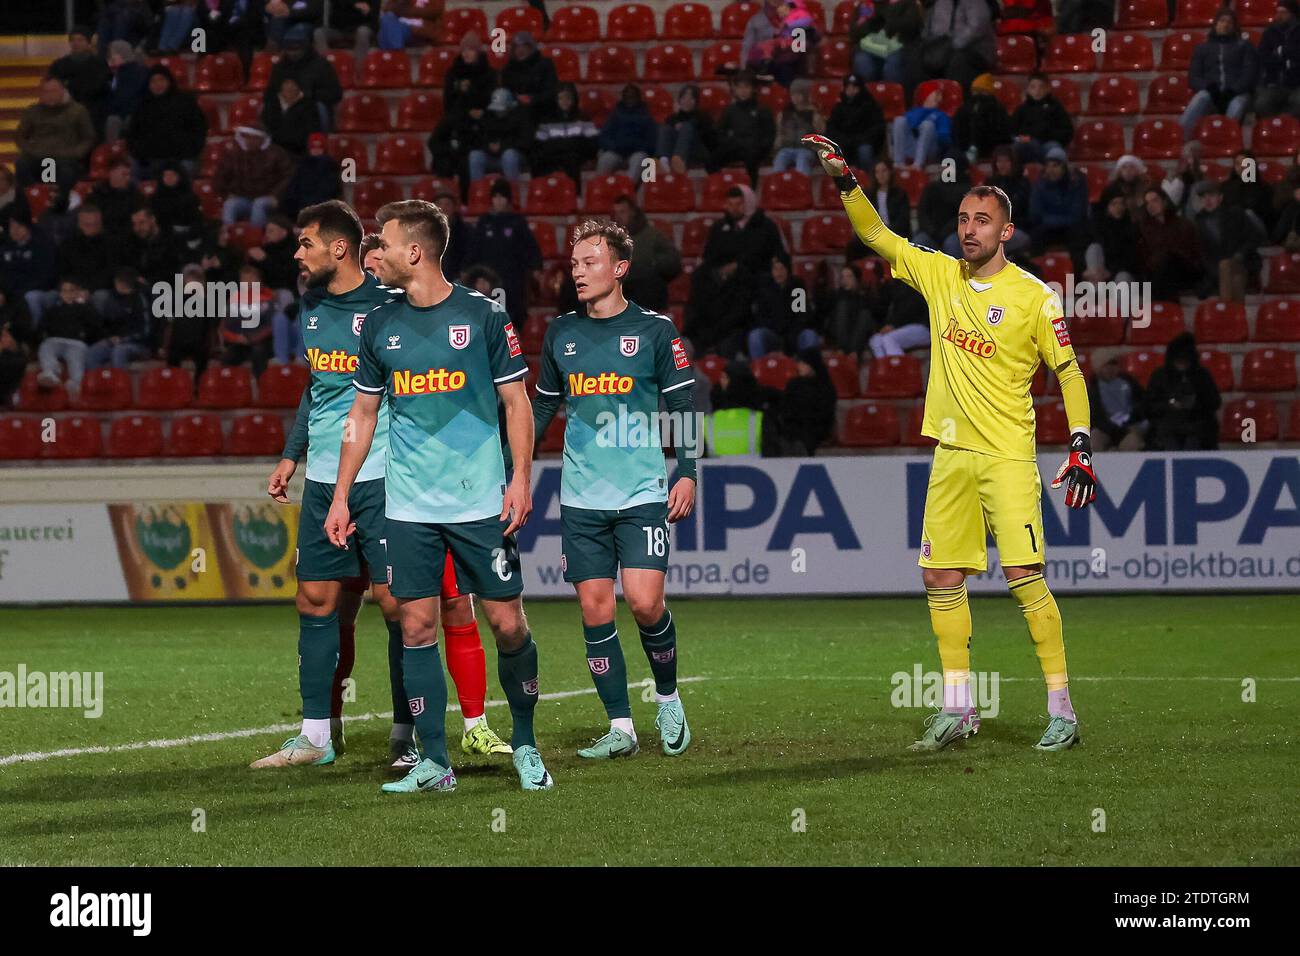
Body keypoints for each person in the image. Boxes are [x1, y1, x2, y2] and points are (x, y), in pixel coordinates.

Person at [806, 131, 1096, 752]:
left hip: (1009, 456)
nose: (969, 229)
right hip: (951, 454)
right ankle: (959, 708)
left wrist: (1079, 442)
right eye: (964, 218)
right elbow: (877, 237)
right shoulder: (940, 276)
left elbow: (1068, 371)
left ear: (1006, 232)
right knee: (941, 576)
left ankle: (1062, 709)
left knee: (1023, 572)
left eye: (982, 220)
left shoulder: (1035, 298)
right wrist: (845, 181)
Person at [257, 199, 514, 770]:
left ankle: (408, 734)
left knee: (402, 606)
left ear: (339, 247)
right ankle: (316, 737)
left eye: (305, 244)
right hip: (328, 476)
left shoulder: (392, 308)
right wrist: (292, 453)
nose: (296, 256)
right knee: (316, 601)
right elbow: (317, 386)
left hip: (388, 478)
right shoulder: (313, 307)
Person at [326, 199, 553, 793]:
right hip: (407, 507)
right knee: (416, 626)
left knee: (507, 625)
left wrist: (522, 477)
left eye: (386, 242)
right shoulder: (380, 325)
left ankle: (526, 745)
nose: (375, 252)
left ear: (415, 252)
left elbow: (516, 402)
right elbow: (363, 413)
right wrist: (341, 492)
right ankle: (433, 761)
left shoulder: (482, 317)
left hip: (480, 504)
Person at [531, 218, 697, 759]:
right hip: (579, 497)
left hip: (641, 491)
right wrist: (512, 463)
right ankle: (621, 728)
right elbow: (542, 407)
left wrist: (688, 469)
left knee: (647, 604)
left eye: (590, 261)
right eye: (574, 263)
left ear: (619, 268)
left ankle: (668, 698)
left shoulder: (654, 331)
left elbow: (682, 407)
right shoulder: (561, 333)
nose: (577, 272)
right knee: (596, 610)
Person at [463, 179, 543, 326]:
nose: (498, 201)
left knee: (512, 319)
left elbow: (530, 248)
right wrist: (469, 272)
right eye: (495, 197)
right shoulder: (484, 222)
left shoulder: (517, 222)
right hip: (489, 280)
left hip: (513, 281)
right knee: (492, 320)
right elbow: (473, 250)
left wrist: (536, 267)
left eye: (502, 197)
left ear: (508, 200)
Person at [1181, 8, 1260, 137]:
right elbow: (1193, 78)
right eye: (1222, 21)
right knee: (1201, 97)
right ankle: (1181, 138)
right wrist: (1211, 89)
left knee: (1237, 104)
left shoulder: (1245, 46)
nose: (1225, 24)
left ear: (1234, 27)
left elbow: (1249, 75)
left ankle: (1225, 138)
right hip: (1212, 94)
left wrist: (1232, 91)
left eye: (1229, 22)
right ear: (1216, 24)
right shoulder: (1201, 48)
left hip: (1236, 94)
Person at [126, 66, 208, 181]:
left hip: (181, 159)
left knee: (186, 167)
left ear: (169, 81)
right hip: (150, 161)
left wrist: (188, 150)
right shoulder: (142, 106)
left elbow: (199, 130)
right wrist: (141, 153)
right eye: (153, 81)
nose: (158, 84)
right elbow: (132, 135)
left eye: (161, 80)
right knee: (132, 169)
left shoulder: (185, 102)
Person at [1143, 332, 1221, 450]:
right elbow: (1148, 406)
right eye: (1178, 360)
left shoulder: (1202, 376)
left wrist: (1194, 405)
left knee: (1195, 436)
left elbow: (1214, 402)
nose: (1182, 364)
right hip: (1167, 425)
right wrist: (1169, 405)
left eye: (1185, 360)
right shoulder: (1159, 376)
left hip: (1196, 424)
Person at [14, 78, 95, 189]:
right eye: (46, 92)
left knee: (67, 172)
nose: (50, 95)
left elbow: (88, 138)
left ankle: (61, 202)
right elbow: (20, 136)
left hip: (65, 157)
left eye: (54, 91)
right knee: (21, 165)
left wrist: (77, 152)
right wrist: (30, 150)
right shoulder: (32, 111)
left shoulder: (78, 111)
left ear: (62, 91)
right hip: (37, 155)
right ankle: (31, 199)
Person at [1193, 179, 1265, 302]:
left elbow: (1254, 237)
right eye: (1203, 197)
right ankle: (1236, 316)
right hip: (1216, 270)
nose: (1207, 200)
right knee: (1234, 279)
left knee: (1226, 266)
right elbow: (1202, 252)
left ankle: (1227, 312)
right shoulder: (1198, 220)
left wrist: (1240, 254)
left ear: (1220, 198)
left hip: (1243, 261)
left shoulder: (1235, 213)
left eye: (1211, 196)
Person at [216, 123, 296, 226]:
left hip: (268, 197)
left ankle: (255, 236)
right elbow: (220, 176)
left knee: (259, 204)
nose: (248, 141)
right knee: (230, 205)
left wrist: (276, 195)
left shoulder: (277, 154)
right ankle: (227, 235)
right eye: (246, 137)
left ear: (261, 139)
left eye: (253, 138)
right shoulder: (235, 155)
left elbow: (289, 176)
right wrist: (226, 194)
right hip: (243, 198)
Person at [611, 195, 681, 313]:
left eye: (622, 212)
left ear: (633, 213)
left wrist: (652, 264)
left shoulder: (654, 236)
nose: (618, 217)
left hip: (646, 292)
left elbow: (673, 262)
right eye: (616, 213)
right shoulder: (611, 239)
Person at [36, 278, 101, 397]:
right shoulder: (53, 310)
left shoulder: (86, 309)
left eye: (71, 291)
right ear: (60, 293)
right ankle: (50, 372)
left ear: (76, 292)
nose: (68, 294)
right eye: (65, 291)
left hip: (76, 343)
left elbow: (96, 328)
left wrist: (85, 337)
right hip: (54, 341)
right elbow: (41, 328)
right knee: (45, 347)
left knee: (76, 357)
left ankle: (75, 384)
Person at [1027, 145, 1089, 268]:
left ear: (1064, 167)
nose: (1051, 170)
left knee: (1080, 235)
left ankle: (1077, 278)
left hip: (1070, 228)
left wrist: (1053, 220)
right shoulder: (1040, 185)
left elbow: (1077, 214)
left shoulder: (1076, 183)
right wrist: (1056, 220)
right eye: (1049, 166)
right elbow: (1035, 213)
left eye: (1056, 166)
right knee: (1036, 236)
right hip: (1048, 227)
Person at [711, 70, 776, 185]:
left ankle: (751, 193)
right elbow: (719, 131)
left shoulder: (762, 109)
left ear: (752, 89)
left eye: (746, 87)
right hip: (736, 145)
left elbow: (770, 134)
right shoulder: (730, 110)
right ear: (735, 90)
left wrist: (762, 146)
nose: (743, 91)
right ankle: (719, 187)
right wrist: (727, 142)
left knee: (751, 158)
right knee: (712, 158)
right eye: (739, 87)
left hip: (755, 147)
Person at [1138, 187, 1201, 301]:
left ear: (1165, 202)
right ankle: (1168, 309)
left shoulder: (1183, 224)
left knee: (1168, 258)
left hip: (1184, 270)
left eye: (1155, 200)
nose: (1151, 205)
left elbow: (1194, 252)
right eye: (1147, 203)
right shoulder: (1143, 228)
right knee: (1162, 267)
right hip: (1156, 272)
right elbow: (1143, 257)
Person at [749, 255, 819, 357]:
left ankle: (808, 368)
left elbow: (801, 317)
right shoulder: (765, 288)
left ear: (788, 270)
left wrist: (787, 342)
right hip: (773, 335)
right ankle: (759, 369)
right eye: (775, 269)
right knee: (756, 335)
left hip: (793, 336)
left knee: (809, 335)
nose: (779, 273)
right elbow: (761, 317)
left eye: (782, 268)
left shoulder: (796, 286)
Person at [87, 266, 155, 369]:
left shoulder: (141, 300)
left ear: (121, 283)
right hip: (117, 341)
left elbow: (145, 332)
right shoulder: (114, 299)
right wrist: (108, 338)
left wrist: (123, 339)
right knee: (94, 351)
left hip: (140, 345)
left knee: (119, 351)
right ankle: (96, 382)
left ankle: (119, 383)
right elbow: (109, 324)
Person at [921, 0, 995, 93]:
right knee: (917, 57)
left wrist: (954, 44)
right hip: (944, 49)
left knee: (957, 61)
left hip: (974, 51)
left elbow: (978, 26)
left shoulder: (975, 2)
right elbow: (931, 30)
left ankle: (956, 100)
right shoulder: (938, 3)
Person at [775, 347, 837, 454]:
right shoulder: (794, 384)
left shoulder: (825, 387)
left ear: (811, 364)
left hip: (815, 429)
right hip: (795, 428)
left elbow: (825, 415)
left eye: (802, 363)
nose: (799, 366)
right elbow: (786, 409)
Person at [162, 263, 216, 381]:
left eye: (196, 279)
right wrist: (164, 345)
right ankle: (175, 387)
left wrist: (211, 345)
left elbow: (210, 327)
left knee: (203, 357)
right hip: (178, 342)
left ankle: (198, 389)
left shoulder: (207, 302)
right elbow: (168, 324)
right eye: (189, 278)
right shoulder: (174, 300)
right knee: (172, 357)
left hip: (199, 343)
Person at [468, 87, 532, 184]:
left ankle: (511, 190)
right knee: (475, 156)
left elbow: (525, 141)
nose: (498, 112)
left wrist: (503, 146)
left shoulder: (521, 116)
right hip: (490, 155)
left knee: (509, 155)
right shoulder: (488, 115)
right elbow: (479, 138)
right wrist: (488, 146)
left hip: (513, 155)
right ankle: (478, 191)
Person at [596, 84, 658, 180]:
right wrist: (615, 147)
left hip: (637, 152)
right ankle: (602, 189)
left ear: (638, 98)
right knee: (605, 160)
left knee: (638, 161)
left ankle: (627, 190)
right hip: (616, 151)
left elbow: (651, 141)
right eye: (627, 96)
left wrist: (636, 147)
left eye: (633, 96)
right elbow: (604, 137)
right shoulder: (615, 115)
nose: (630, 99)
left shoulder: (646, 116)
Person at [1011, 73, 1073, 166]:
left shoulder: (1056, 107)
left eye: (1041, 87)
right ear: (1028, 89)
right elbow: (1013, 133)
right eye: (1033, 87)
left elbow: (1067, 131)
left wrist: (1048, 135)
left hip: (1049, 144)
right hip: (1028, 143)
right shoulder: (1021, 109)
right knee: (1016, 148)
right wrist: (1028, 138)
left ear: (1048, 89)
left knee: (1057, 153)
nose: (1037, 90)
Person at [1254, 0, 1300, 119]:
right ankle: (1273, 129)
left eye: (1283, 12)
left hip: (1297, 84)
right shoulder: (1270, 32)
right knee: (1261, 104)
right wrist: (1286, 61)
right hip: (1274, 82)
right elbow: (1263, 57)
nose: (1279, 16)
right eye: (1277, 12)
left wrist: (1281, 52)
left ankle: (1287, 127)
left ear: (1293, 14)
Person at [1088, 357, 1144, 452]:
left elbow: (1141, 405)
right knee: (1093, 440)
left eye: (1113, 365)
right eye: (1106, 365)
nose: (1110, 369)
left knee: (1133, 442)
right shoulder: (1092, 388)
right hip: (1103, 428)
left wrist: (1130, 422)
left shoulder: (1129, 383)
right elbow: (1093, 416)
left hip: (1128, 428)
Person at [655, 85, 714, 175]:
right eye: (684, 98)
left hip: (696, 151)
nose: (687, 101)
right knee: (665, 128)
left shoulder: (703, 117)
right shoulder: (673, 118)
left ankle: (679, 160)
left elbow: (708, 138)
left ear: (696, 101)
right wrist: (675, 125)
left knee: (687, 127)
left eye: (691, 98)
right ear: (679, 100)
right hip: (674, 151)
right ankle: (663, 160)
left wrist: (686, 126)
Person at [821, 262, 877, 356]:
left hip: (858, 333)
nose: (846, 280)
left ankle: (852, 351)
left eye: (849, 276)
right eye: (843, 277)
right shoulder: (836, 295)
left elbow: (873, 313)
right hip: (839, 332)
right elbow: (826, 313)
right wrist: (845, 294)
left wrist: (856, 294)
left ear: (856, 279)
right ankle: (845, 350)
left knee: (864, 314)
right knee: (842, 307)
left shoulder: (865, 295)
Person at [1084, 192, 1140, 285]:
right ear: (1107, 206)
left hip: (1121, 274)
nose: (1119, 207)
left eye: (1122, 203)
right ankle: (1097, 291)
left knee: (1122, 278)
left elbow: (1132, 260)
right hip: (1100, 274)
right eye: (1114, 203)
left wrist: (1110, 272)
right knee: (1094, 248)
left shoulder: (1131, 228)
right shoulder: (1098, 227)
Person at [953, 72, 1013, 159]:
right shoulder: (998, 108)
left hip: (970, 150)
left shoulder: (963, 108)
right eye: (975, 90)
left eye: (979, 91)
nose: (976, 94)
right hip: (992, 150)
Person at [281, 132, 342, 217]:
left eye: (319, 148)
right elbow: (294, 188)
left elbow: (329, 190)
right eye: (313, 148)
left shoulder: (330, 166)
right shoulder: (302, 166)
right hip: (301, 207)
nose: (316, 150)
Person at [772, 79, 826, 176]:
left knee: (802, 159)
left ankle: (802, 185)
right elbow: (779, 133)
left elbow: (821, 132)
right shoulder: (784, 114)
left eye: (799, 94)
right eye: (793, 94)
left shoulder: (813, 114)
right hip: (786, 148)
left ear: (805, 95)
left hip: (805, 149)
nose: (795, 97)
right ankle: (779, 185)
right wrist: (777, 147)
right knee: (780, 159)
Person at [891, 85, 950, 169]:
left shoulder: (941, 114)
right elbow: (912, 124)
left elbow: (945, 139)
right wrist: (926, 110)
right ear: (926, 96)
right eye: (937, 94)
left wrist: (939, 133)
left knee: (927, 125)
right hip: (911, 147)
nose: (939, 98)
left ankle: (917, 165)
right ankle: (898, 163)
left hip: (930, 149)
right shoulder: (914, 111)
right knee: (899, 120)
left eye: (941, 95)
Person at [499, 31, 558, 113]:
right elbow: (504, 92)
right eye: (517, 47)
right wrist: (517, 99)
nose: (520, 50)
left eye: (524, 46)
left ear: (531, 47)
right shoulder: (509, 68)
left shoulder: (545, 65)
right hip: (515, 110)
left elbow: (550, 91)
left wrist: (532, 99)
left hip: (541, 109)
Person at [262, 77, 321, 156]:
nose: (290, 87)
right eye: (286, 83)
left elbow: (310, 132)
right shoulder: (271, 104)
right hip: (273, 150)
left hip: (298, 151)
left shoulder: (309, 106)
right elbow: (265, 128)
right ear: (281, 86)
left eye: (293, 84)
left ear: (299, 87)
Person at [104, 41, 149, 145]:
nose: (110, 59)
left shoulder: (135, 72)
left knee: (113, 120)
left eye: (112, 55)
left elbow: (125, 98)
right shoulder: (116, 73)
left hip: (133, 115)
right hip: (124, 114)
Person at [443, 31, 497, 117]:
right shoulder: (453, 73)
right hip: (460, 117)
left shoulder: (490, 73)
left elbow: (492, 100)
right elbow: (448, 102)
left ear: (478, 52)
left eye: (470, 50)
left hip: (484, 117)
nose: (466, 53)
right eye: (464, 50)